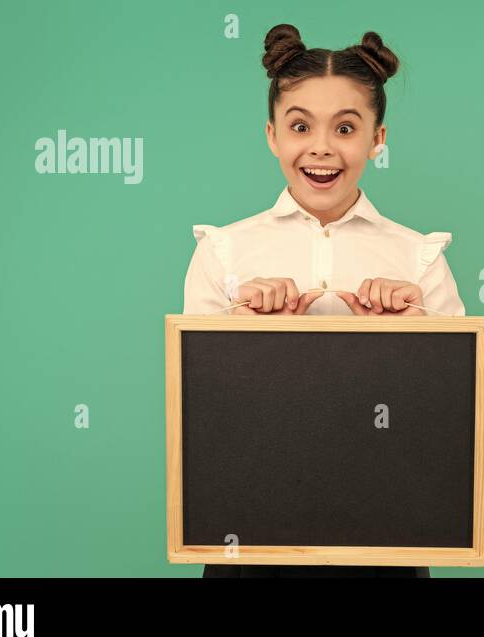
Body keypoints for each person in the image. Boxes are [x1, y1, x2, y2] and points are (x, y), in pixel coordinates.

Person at [181, 24, 466, 579]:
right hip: (250, 541)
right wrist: (242, 331)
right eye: (300, 126)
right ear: (271, 135)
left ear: (377, 139)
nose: (321, 147)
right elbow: (205, 423)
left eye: (345, 127)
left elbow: (443, 426)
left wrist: (412, 333)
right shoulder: (223, 251)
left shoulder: (420, 258)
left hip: (387, 542)